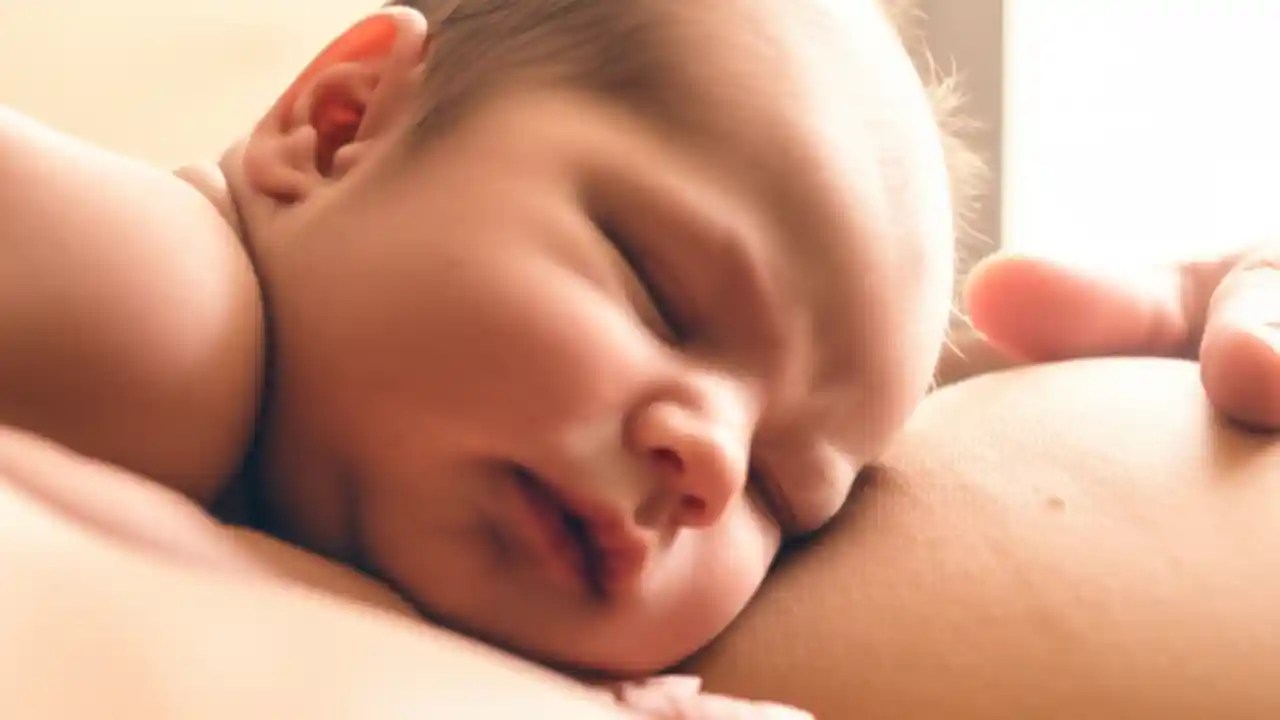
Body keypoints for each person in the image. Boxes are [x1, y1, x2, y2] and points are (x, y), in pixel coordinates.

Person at [0, 0, 961, 698]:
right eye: (659, 295)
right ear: (342, 127)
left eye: (781, 493)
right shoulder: (167, 307)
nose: (713, 460)